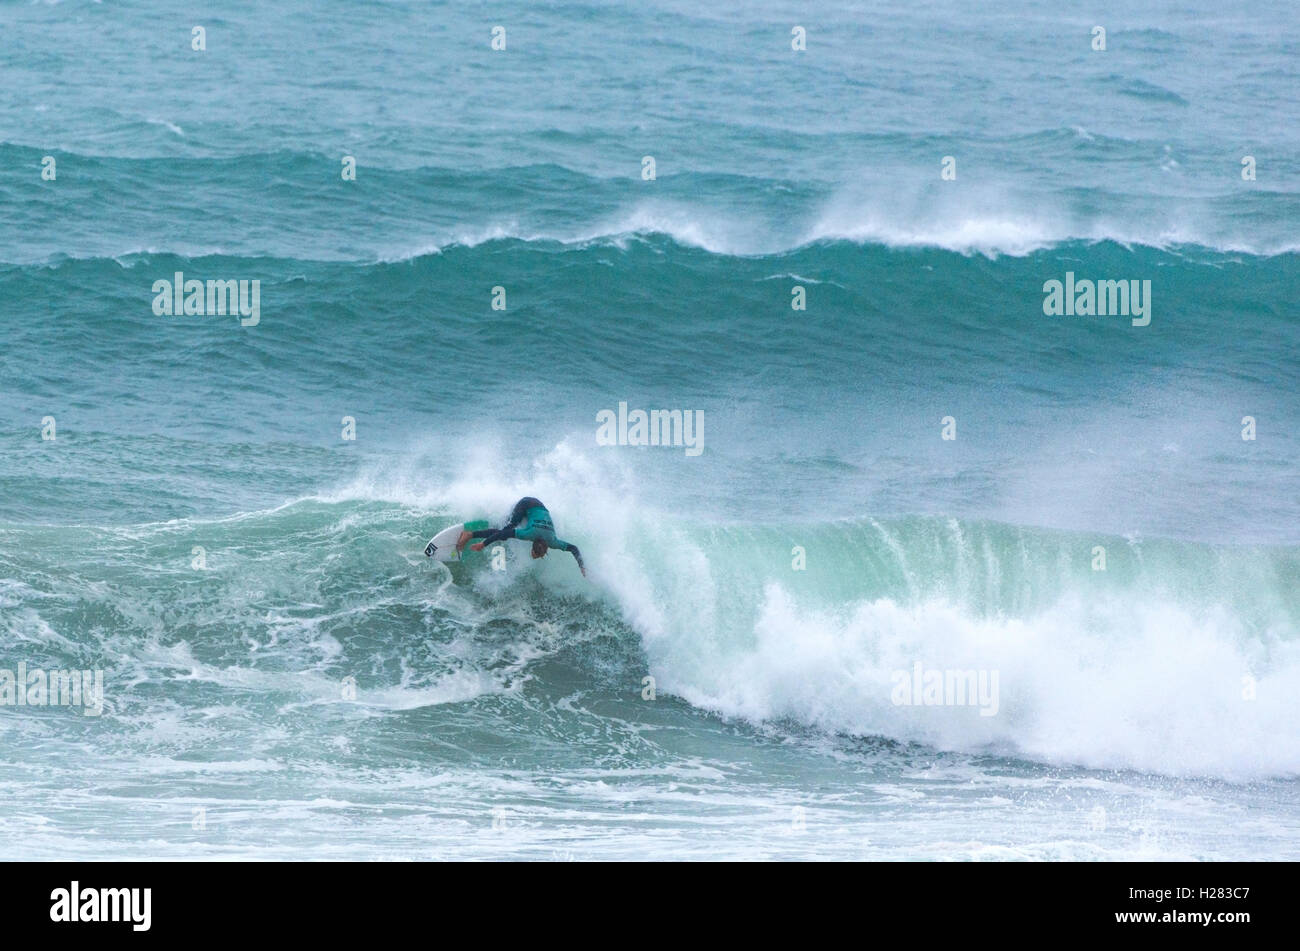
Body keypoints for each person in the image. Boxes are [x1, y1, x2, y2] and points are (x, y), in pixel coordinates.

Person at [457, 497, 586, 576]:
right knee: (506, 531)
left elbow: (574, 548)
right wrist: (483, 544)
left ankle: (487, 529)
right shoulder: (528, 534)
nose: (534, 557)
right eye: (535, 555)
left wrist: (581, 565)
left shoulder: (553, 541)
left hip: (541, 507)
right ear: (532, 547)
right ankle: (470, 534)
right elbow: (503, 534)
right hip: (526, 503)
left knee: (506, 531)